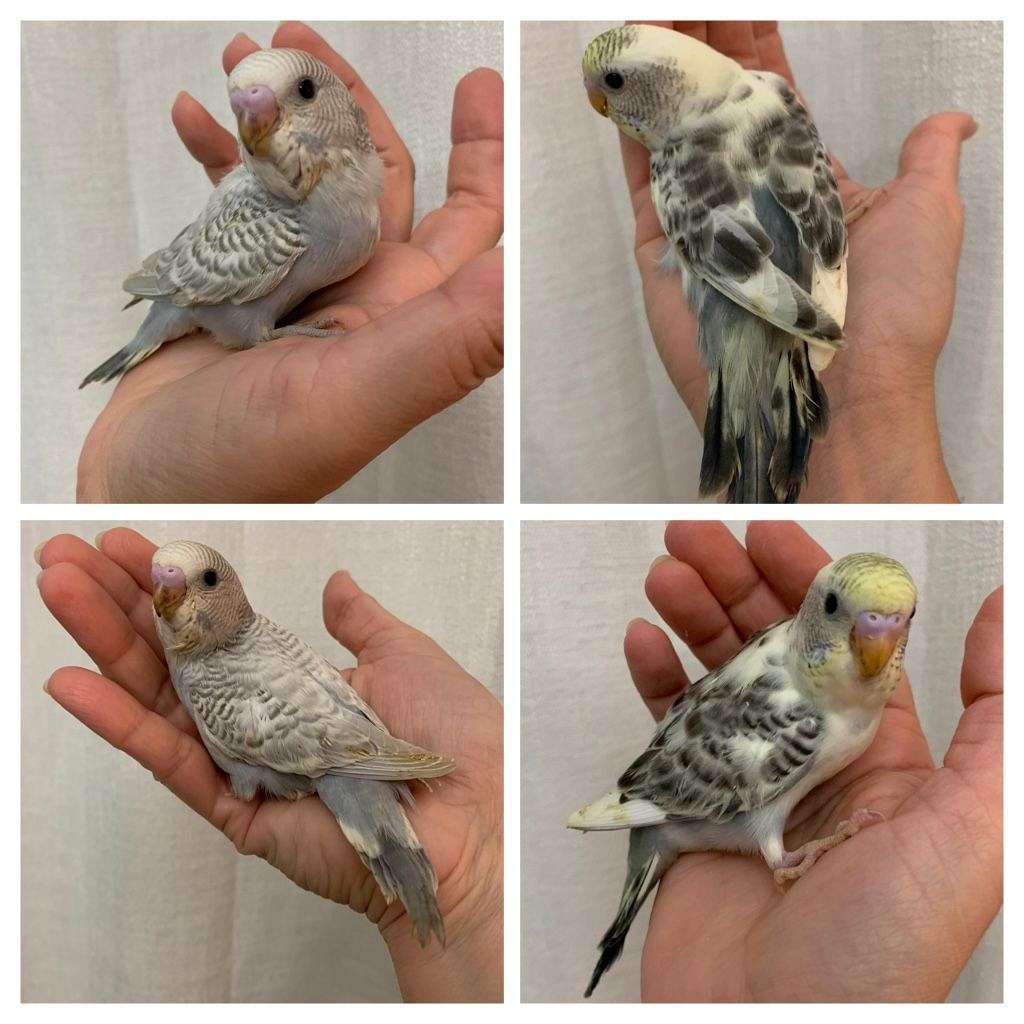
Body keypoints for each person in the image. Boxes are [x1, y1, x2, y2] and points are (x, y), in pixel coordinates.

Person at [36, 527, 503, 1002]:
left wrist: (474, 880)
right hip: (338, 746)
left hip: (335, 764)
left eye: (207, 581)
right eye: (165, 588)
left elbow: (312, 734)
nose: (173, 599)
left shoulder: (213, 676)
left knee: (391, 850)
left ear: (234, 589)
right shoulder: (235, 653)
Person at [77, 22, 503, 503]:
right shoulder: (280, 218)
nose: (261, 117)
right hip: (207, 305)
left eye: (302, 91)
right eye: (246, 112)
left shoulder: (356, 194)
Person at [621, 520, 1002, 1000]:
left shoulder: (841, 707)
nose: (874, 648)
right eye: (838, 612)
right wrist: (797, 855)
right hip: (674, 813)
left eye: (896, 626)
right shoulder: (799, 716)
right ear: (814, 608)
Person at [616, 21, 976, 502]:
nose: (600, 102)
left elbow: (716, 244)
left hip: (744, 282)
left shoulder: (673, 158)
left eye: (614, 84)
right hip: (785, 274)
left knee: (748, 421)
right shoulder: (774, 97)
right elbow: (816, 215)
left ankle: (759, 458)